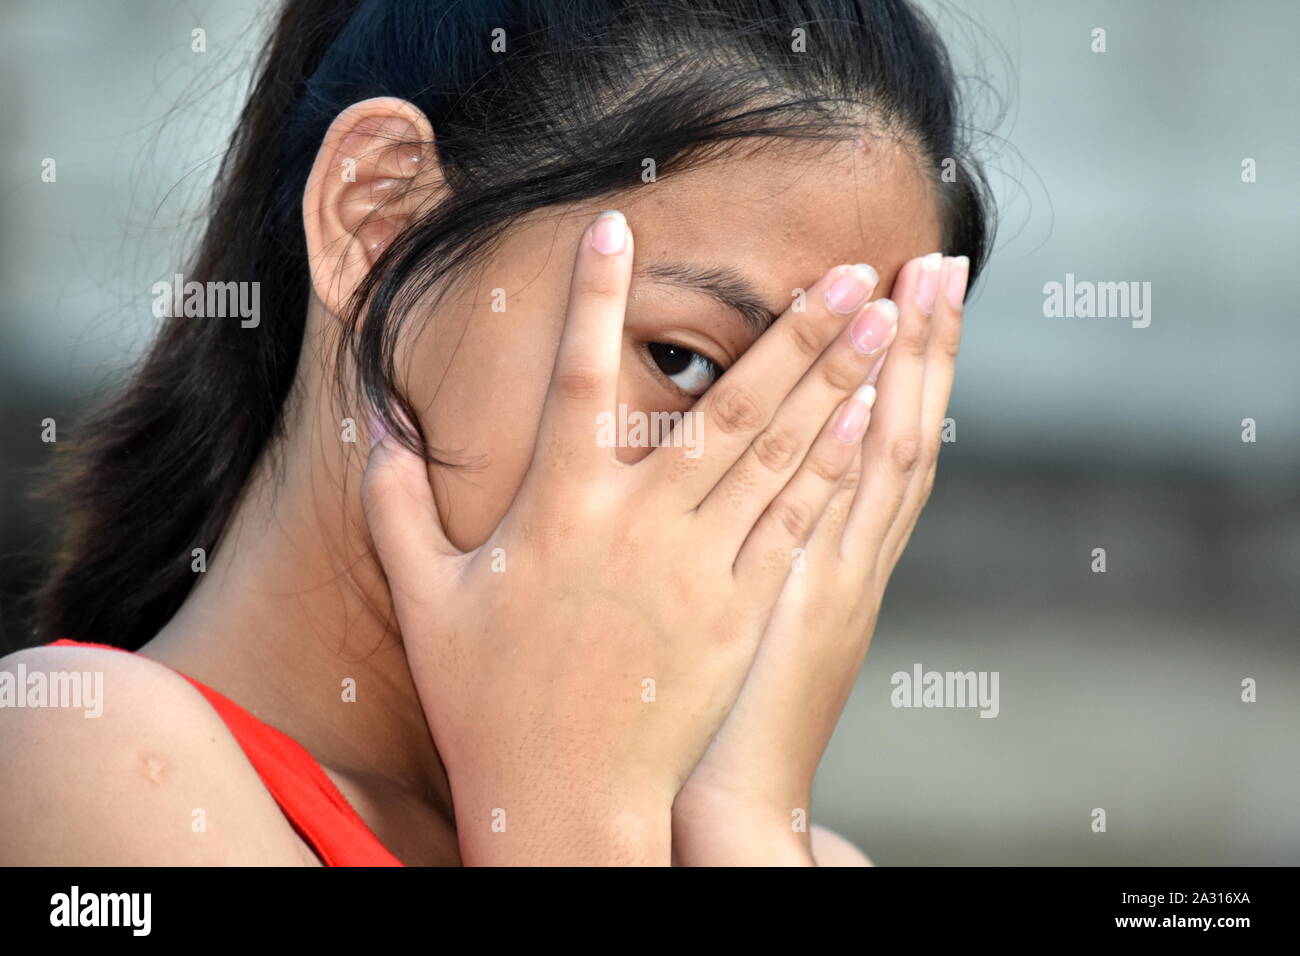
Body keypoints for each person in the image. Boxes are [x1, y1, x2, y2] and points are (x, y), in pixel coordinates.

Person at [1, 0, 991, 865]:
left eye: (830, 419)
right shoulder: (79, 757)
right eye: (686, 361)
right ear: (376, 220)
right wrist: (571, 811)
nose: (760, 485)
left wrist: (739, 817)